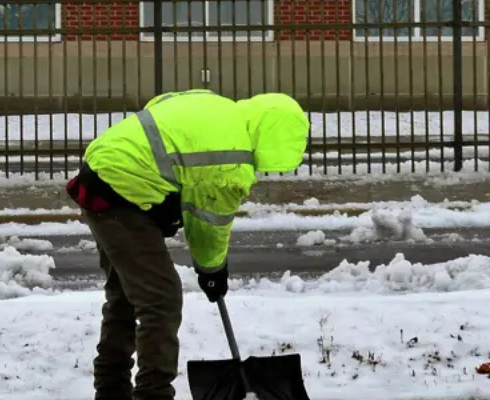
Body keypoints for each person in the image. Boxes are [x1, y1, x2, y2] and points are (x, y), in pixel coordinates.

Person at [65, 89, 309, 400]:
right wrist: (212, 272)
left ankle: (111, 391)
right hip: (123, 190)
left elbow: (159, 109)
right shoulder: (232, 159)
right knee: (161, 299)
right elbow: (209, 227)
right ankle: (153, 394)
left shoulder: (214, 103)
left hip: (99, 169)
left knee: (126, 296)